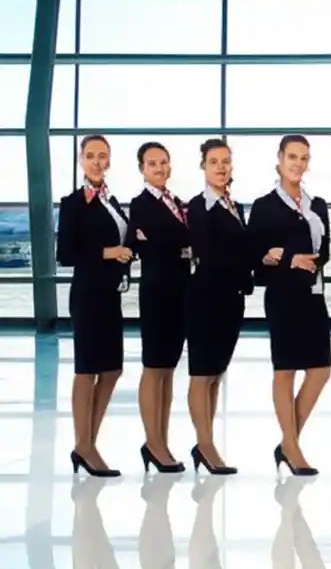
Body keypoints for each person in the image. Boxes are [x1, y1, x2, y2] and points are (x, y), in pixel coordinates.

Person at [247, 135, 331, 476]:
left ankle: (286, 442)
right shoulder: (265, 205)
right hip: (282, 297)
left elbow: (324, 250)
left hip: (313, 295)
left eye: (303, 158)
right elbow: (256, 258)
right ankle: (292, 447)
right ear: (279, 160)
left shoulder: (317, 204)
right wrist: (289, 260)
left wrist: (308, 259)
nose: (298, 163)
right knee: (285, 371)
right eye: (292, 157)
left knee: (321, 370)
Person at [59, 135, 132, 477]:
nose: (97, 162)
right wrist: (108, 252)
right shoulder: (73, 203)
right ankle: (85, 445)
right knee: (86, 370)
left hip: (109, 295)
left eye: (103, 156)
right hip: (87, 294)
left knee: (112, 369)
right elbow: (66, 254)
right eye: (91, 156)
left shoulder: (112, 201)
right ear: (80, 160)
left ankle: (86, 442)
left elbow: (124, 240)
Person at [185, 138, 251, 474]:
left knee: (215, 375)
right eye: (214, 162)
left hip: (231, 298)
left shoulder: (233, 205)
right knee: (201, 373)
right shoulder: (198, 207)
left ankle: (205, 441)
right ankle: (205, 444)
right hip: (207, 298)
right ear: (204, 167)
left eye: (226, 162)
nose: (222, 168)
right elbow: (209, 253)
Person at [126, 141, 190, 474]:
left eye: (164, 162)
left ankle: (160, 441)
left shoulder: (177, 203)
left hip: (179, 291)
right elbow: (151, 241)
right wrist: (176, 244)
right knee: (154, 367)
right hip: (156, 292)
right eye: (152, 164)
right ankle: (152, 442)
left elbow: (179, 242)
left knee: (167, 369)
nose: (160, 168)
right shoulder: (140, 205)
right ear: (142, 169)